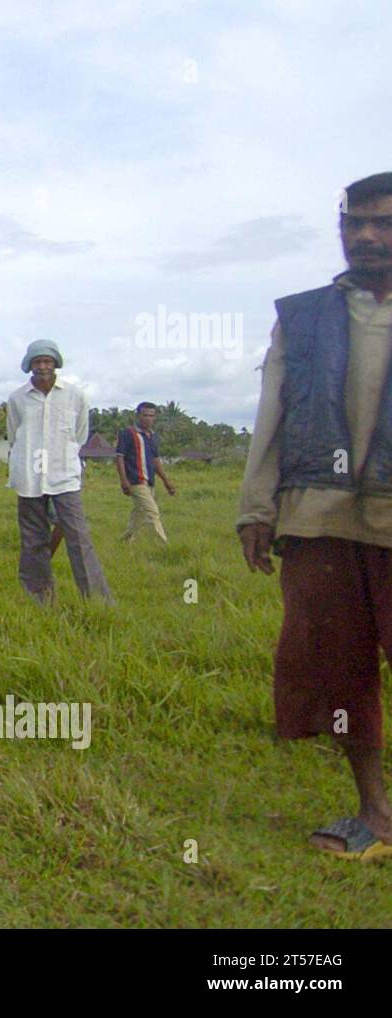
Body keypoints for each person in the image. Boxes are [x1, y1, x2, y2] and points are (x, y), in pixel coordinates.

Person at [238, 171, 392, 862]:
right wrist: (255, 506)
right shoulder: (301, 317)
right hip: (318, 519)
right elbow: (270, 414)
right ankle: (375, 812)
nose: (364, 235)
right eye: (354, 223)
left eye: (382, 223)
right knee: (340, 670)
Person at [6, 340, 113, 603]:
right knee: (33, 540)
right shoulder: (17, 398)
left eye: (47, 361)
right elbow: (13, 436)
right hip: (29, 477)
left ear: (56, 364)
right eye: (37, 362)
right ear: (29, 366)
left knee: (78, 536)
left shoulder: (74, 395)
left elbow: (80, 434)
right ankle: (39, 598)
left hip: (64, 475)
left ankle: (97, 600)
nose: (43, 367)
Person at [116, 401, 176, 543]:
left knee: (139, 514)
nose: (148, 419)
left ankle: (125, 540)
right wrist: (124, 480)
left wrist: (166, 481)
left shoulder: (152, 436)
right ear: (138, 416)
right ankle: (164, 544)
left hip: (149, 481)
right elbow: (119, 457)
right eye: (145, 415)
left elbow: (155, 460)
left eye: (151, 416)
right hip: (135, 480)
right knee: (152, 511)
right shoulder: (128, 433)